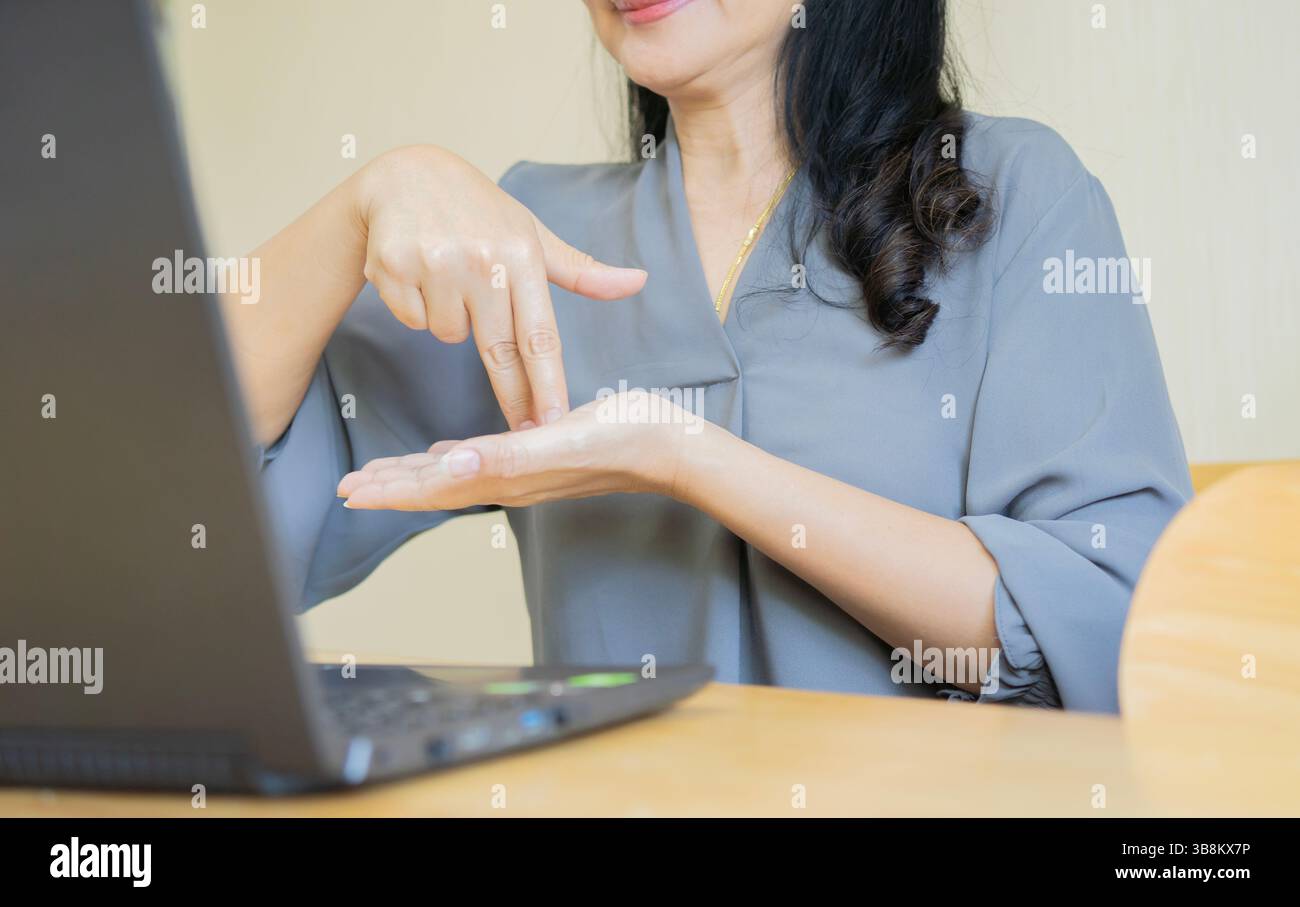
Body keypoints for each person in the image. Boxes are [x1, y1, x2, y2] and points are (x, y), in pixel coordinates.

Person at [220, 0, 1191, 712]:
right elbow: (191, 517)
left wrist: (684, 459)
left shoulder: (1013, 195)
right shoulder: (530, 237)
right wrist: (364, 205)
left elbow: (1116, 630)